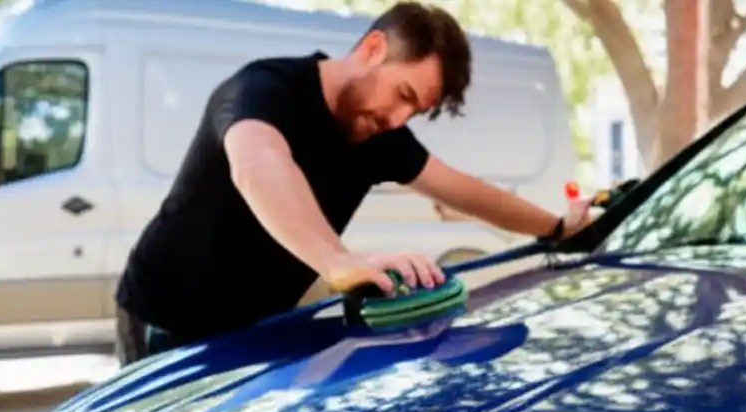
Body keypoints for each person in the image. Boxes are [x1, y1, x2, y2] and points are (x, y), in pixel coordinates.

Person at [115, 1, 591, 364]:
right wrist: (337, 261)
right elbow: (259, 164)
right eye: (403, 94)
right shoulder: (263, 90)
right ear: (372, 49)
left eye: (416, 111)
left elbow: (465, 190)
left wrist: (557, 228)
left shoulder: (379, 132)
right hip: (167, 318)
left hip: (257, 325)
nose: (398, 118)